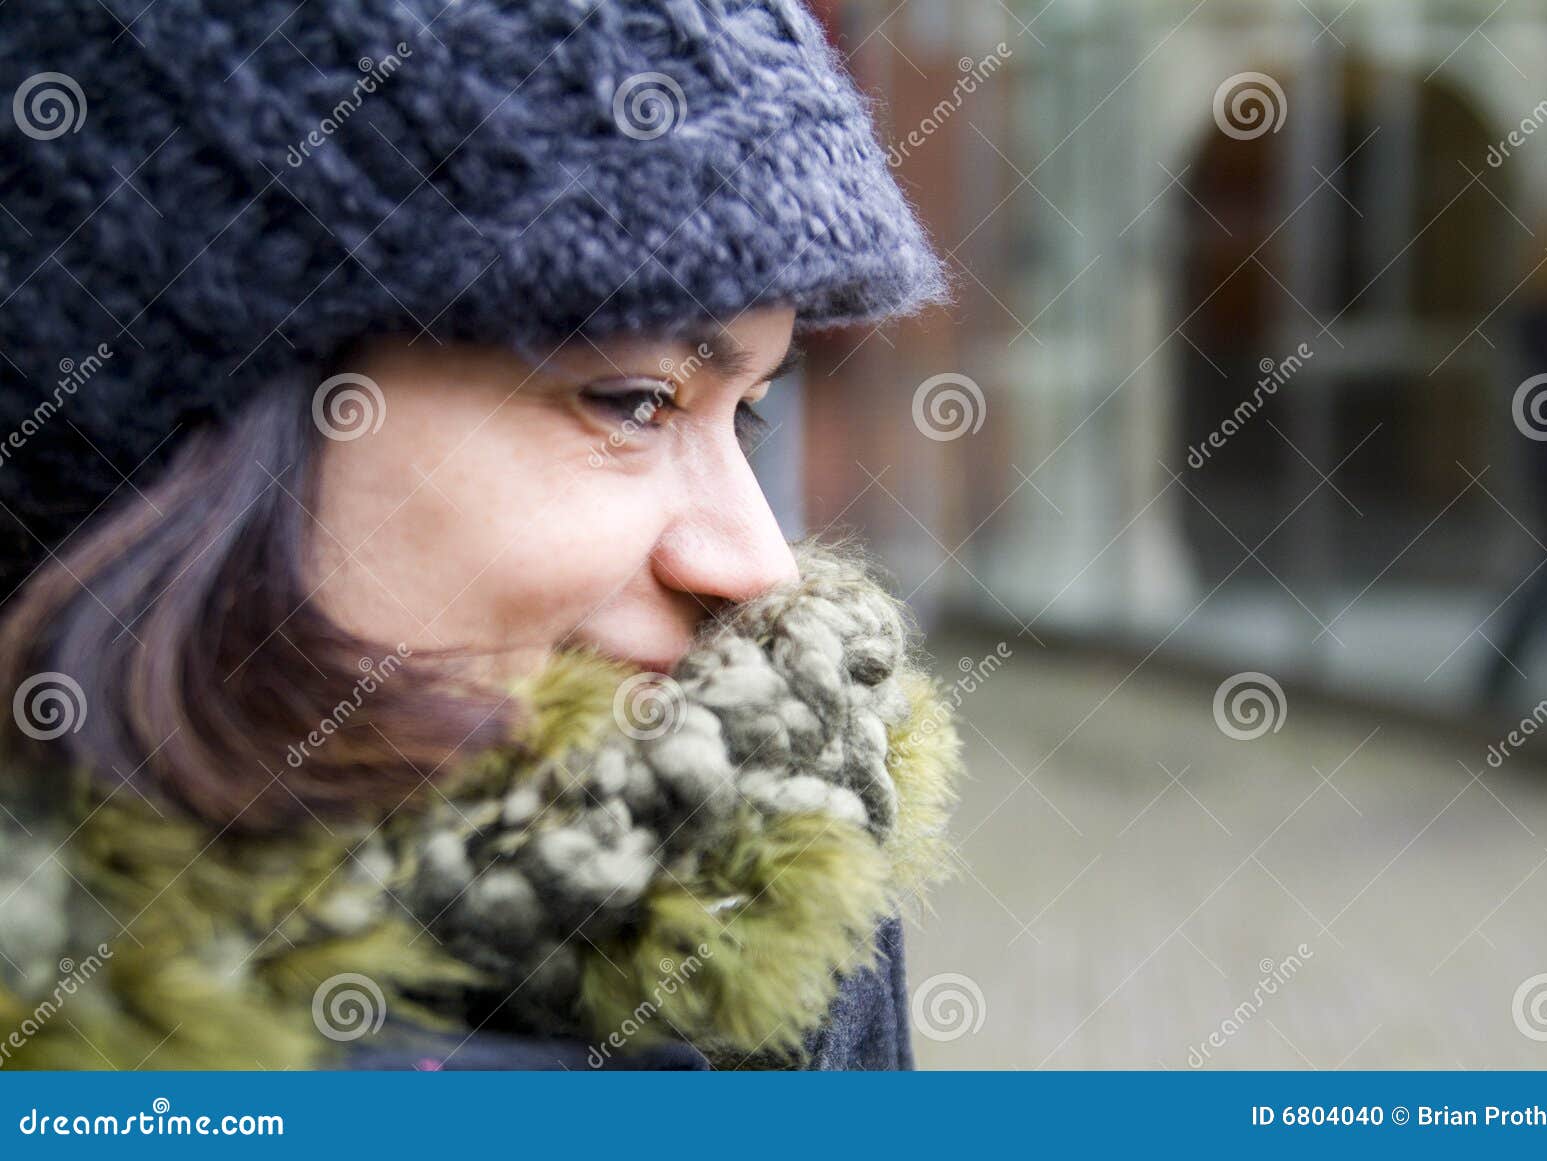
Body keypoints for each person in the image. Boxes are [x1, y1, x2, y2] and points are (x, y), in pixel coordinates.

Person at [0, 0, 959, 1070]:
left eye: (748, 409)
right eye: (632, 402)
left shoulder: (748, 857)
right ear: (188, 430)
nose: (758, 565)